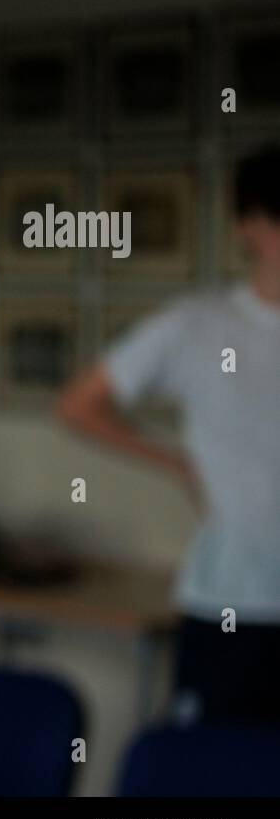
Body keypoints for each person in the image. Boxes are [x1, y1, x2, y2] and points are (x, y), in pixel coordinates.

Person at [57, 143, 280, 728]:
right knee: (212, 783)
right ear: (247, 226)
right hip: (232, 605)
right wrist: (180, 463)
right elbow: (81, 404)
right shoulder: (197, 324)